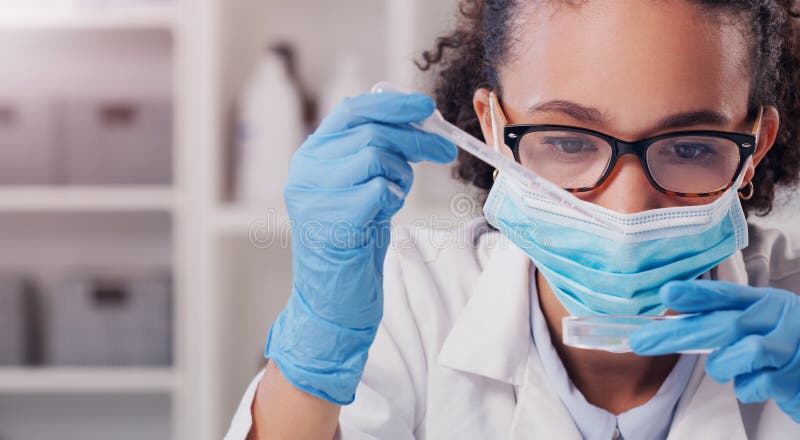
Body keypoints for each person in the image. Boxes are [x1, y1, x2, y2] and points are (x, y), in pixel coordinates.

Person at [226, 0, 800, 438]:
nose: (626, 212)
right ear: (496, 131)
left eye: (691, 148)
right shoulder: (409, 302)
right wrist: (316, 353)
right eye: (569, 142)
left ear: (755, 145)